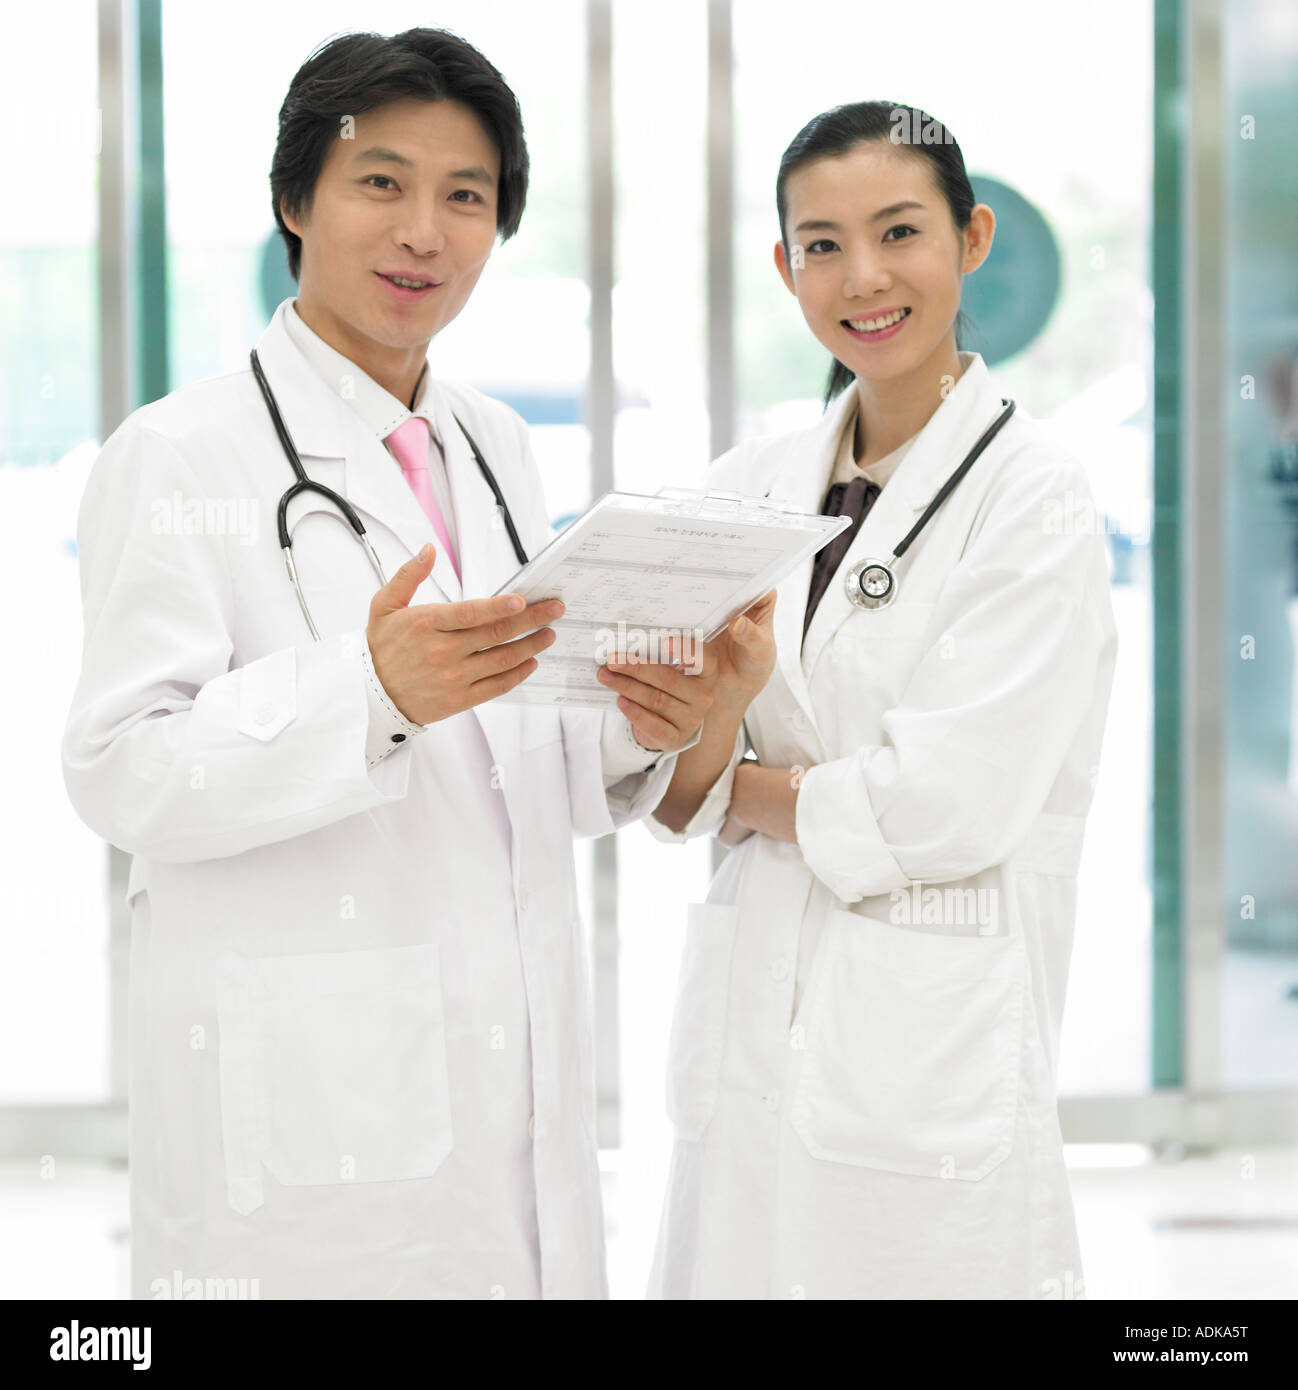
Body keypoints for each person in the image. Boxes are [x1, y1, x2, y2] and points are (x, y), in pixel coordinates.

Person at [61, 26, 725, 1300]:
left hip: (505, 1098)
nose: (424, 231)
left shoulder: (491, 443)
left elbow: (510, 762)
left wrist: (650, 717)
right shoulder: (180, 453)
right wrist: (366, 699)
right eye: (381, 182)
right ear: (294, 201)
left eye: (465, 196)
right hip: (306, 1129)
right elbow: (121, 769)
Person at [644, 100, 1119, 1300]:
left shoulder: (1035, 497)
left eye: (898, 232)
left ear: (971, 238)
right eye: (821, 244)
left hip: (926, 1059)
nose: (861, 276)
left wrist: (736, 785)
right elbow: (656, 778)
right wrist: (710, 754)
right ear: (783, 266)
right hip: (748, 1041)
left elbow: (944, 805)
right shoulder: (746, 487)